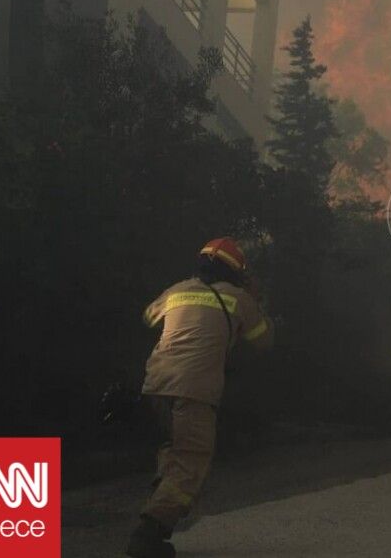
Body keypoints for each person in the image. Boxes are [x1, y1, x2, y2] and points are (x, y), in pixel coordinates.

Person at [126, 238, 274, 558]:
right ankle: (147, 536)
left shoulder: (177, 290)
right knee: (191, 463)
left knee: (171, 452)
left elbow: (148, 317)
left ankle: (158, 513)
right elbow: (263, 340)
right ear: (236, 272)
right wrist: (254, 300)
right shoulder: (239, 298)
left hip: (155, 385)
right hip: (193, 390)